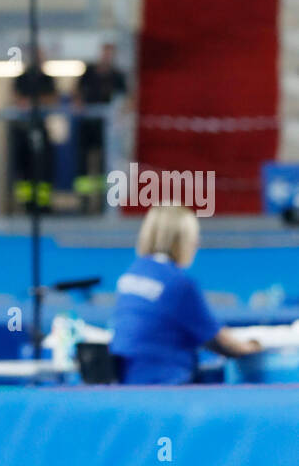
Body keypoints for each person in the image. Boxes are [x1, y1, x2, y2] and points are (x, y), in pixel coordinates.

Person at [110, 203, 261, 384]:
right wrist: (255, 345)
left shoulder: (132, 273)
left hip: (127, 382)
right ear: (182, 240)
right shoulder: (177, 283)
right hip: (165, 386)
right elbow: (222, 344)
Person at [75, 40, 128, 209]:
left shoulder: (117, 77)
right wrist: (78, 102)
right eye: (105, 52)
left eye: (110, 53)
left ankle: (104, 203)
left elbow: (127, 100)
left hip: (108, 131)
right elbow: (76, 94)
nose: (107, 57)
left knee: (106, 166)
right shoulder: (89, 73)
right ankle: (84, 202)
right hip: (88, 127)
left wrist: (121, 112)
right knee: (83, 166)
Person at [10, 48, 58, 212]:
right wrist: (35, 102)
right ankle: (26, 206)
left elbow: (52, 99)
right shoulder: (22, 79)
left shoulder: (47, 79)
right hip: (23, 131)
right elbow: (17, 99)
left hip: (41, 128)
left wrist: (33, 102)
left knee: (43, 169)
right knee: (25, 171)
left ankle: (43, 204)